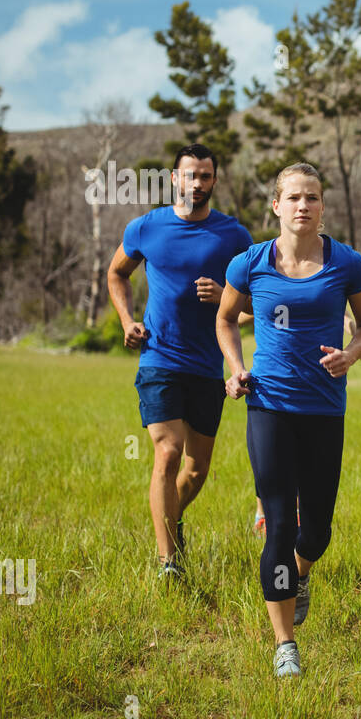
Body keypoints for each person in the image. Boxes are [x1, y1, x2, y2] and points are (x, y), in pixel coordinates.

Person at [216, 163, 361, 678]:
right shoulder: (250, 263)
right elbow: (225, 318)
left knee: (318, 533)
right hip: (269, 407)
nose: (303, 205)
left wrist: (351, 355)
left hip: (325, 410)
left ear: (322, 206)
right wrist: (237, 369)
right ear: (277, 206)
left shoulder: (347, 263)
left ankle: (300, 574)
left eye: (312, 197)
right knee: (280, 526)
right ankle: (285, 644)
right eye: (293, 197)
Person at [107, 143, 254, 580]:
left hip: (208, 365)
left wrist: (224, 299)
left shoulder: (234, 237)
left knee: (196, 467)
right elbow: (117, 273)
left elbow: (252, 302)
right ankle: (168, 560)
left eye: (205, 176)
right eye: (190, 175)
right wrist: (126, 319)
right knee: (168, 453)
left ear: (214, 181)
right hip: (159, 358)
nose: (197, 183)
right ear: (174, 178)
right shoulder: (146, 227)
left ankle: (171, 519)